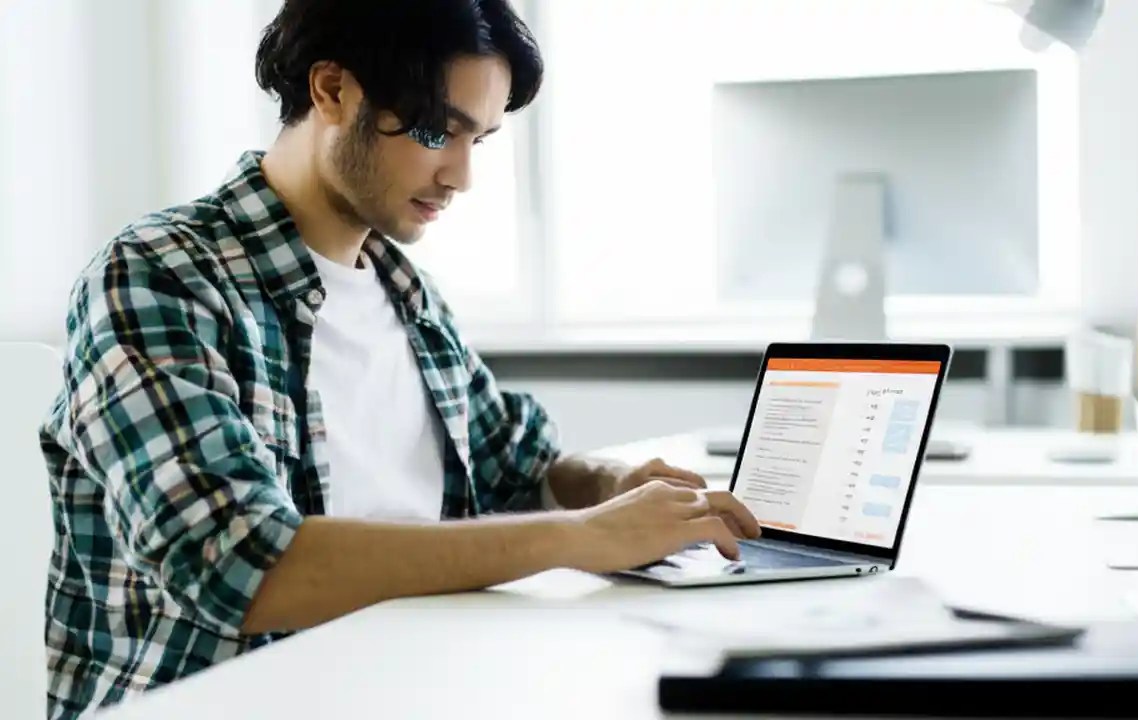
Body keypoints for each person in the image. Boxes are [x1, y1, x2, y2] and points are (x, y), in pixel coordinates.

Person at [39, 1, 760, 716]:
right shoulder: (158, 275)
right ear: (332, 90)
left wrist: (611, 482)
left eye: (479, 139)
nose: (461, 176)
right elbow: (235, 562)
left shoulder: (400, 286)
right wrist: (581, 538)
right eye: (435, 130)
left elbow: (515, 467)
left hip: (418, 686)